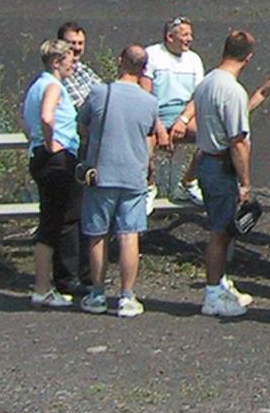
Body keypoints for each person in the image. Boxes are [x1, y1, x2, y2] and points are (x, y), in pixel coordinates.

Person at [77, 45, 167, 317]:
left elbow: (83, 125)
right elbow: (152, 132)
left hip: (101, 174)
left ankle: (97, 294)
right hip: (134, 175)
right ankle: (127, 296)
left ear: (119, 61)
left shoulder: (99, 93)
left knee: (97, 236)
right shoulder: (149, 102)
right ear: (143, 68)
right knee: (130, 235)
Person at [191, 29, 259, 318]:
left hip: (208, 159)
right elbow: (238, 141)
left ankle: (219, 283)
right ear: (249, 57)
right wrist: (245, 183)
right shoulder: (232, 91)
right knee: (220, 231)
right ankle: (212, 293)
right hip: (221, 165)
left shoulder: (207, 82)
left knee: (224, 229)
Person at [23, 38, 83, 307]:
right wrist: (53, 144)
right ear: (58, 62)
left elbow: (30, 121)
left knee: (49, 221)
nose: (74, 65)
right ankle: (43, 287)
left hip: (40, 157)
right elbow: (48, 117)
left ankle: (44, 285)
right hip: (56, 159)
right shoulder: (53, 86)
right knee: (52, 224)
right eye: (70, 60)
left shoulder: (36, 85)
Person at [142, 16, 206, 206]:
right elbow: (146, 95)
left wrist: (184, 120)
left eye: (190, 35)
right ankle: (148, 186)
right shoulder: (152, 55)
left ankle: (189, 181)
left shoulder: (194, 59)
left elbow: (197, 96)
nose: (189, 39)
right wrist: (159, 127)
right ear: (170, 37)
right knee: (144, 147)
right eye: (185, 35)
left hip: (183, 113)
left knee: (211, 140)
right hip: (155, 114)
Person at [58, 21, 103, 109]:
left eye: (80, 43)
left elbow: (104, 94)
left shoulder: (85, 70)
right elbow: (80, 107)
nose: (77, 48)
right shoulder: (59, 74)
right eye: (72, 43)